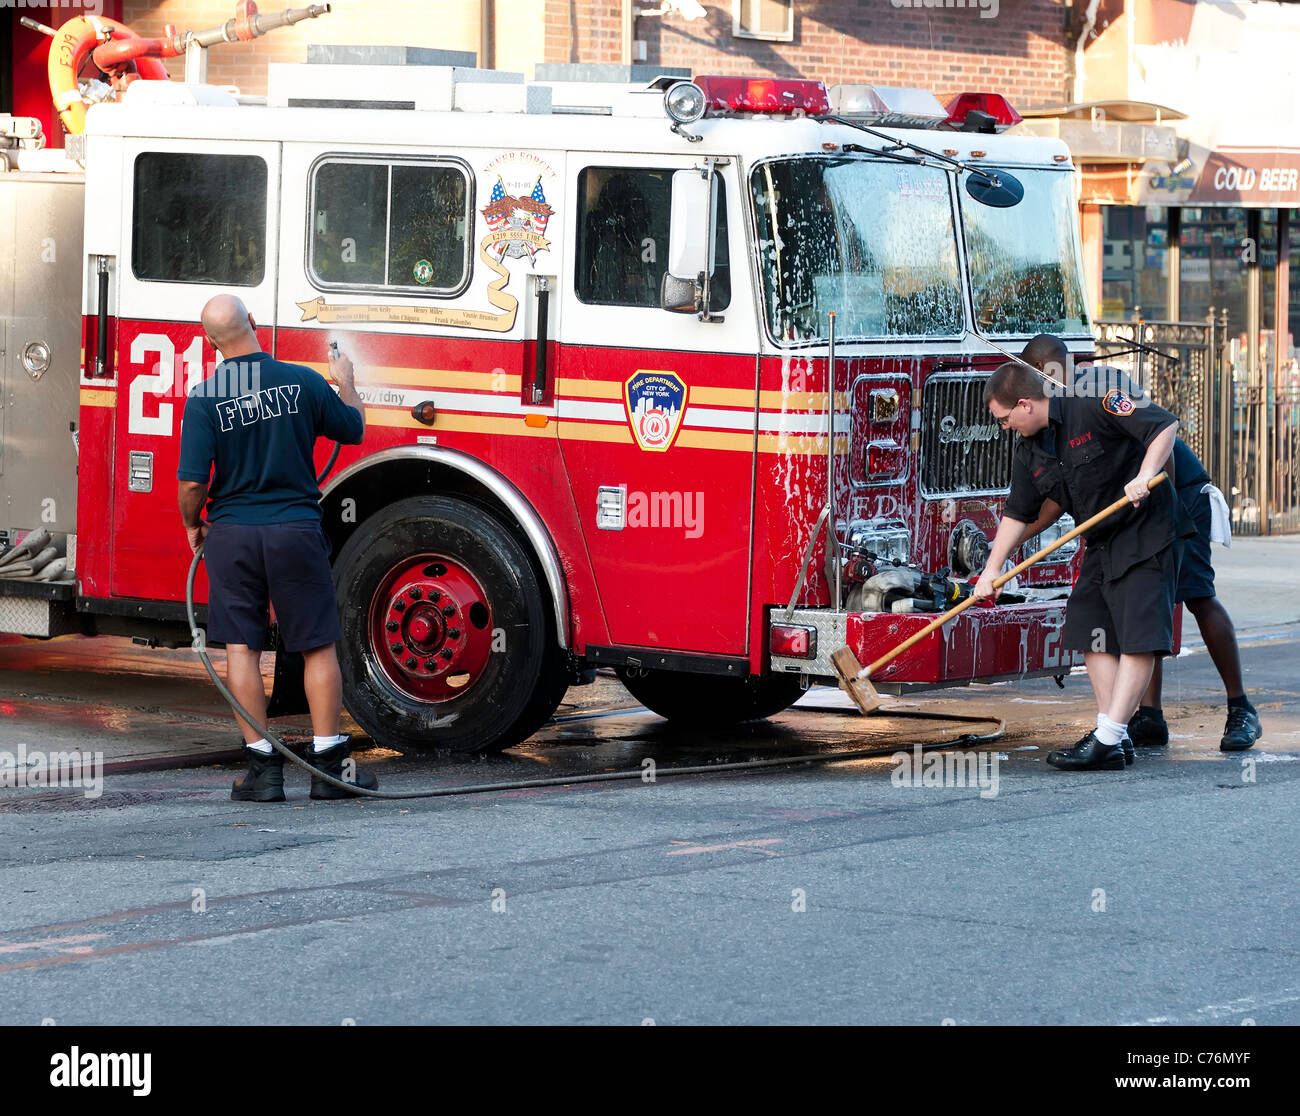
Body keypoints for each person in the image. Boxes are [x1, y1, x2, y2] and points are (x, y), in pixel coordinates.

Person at [1020, 335, 1261, 753]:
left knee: (1196, 597)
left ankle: (1241, 708)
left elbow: (1160, 450)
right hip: (1134, 512)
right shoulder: (1059, 416)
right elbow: (1058, 495)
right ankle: (1149, 715)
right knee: (1148, 605)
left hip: (1177, 496)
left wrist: (1154, 515)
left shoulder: (1097, 389)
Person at [177, 294, 373, 802]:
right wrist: (345, 380)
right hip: (295, 531)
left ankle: (263, 772)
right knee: (316, 645)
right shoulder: (302, 380)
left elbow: (193, 485)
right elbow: (352, 429)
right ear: (255, 325)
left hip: (233, 535)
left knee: (242, 648)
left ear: (209, 341)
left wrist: (193, 525)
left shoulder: (205, 397)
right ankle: (331, 770)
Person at [973, 359, 1183, 771]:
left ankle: (1106, 738)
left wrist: (1144, 473)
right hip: (1102, 540)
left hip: (1146, 531)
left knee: (1139, 637)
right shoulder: (1029, 449)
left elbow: (1164, 426)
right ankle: (1115, 736)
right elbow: (1018, 514)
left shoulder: (1094, 399)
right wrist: (991, 572)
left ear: (1024, 405)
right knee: (1091, 629)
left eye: (1004, 419)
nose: (1004, 428)